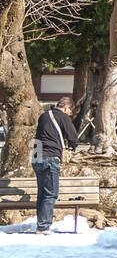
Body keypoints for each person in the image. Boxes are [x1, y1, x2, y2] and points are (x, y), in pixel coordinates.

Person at [32, 97, 79, 234]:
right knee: (51, 194)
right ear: (66, 108)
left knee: (42, 194)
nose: (69, 114)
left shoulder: (43, 116)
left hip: (36, 156)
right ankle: (43, 226)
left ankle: (40, 224)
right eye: (70, 111)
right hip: (50, 157)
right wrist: (72, 147)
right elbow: (73, 137)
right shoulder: (63, 117)